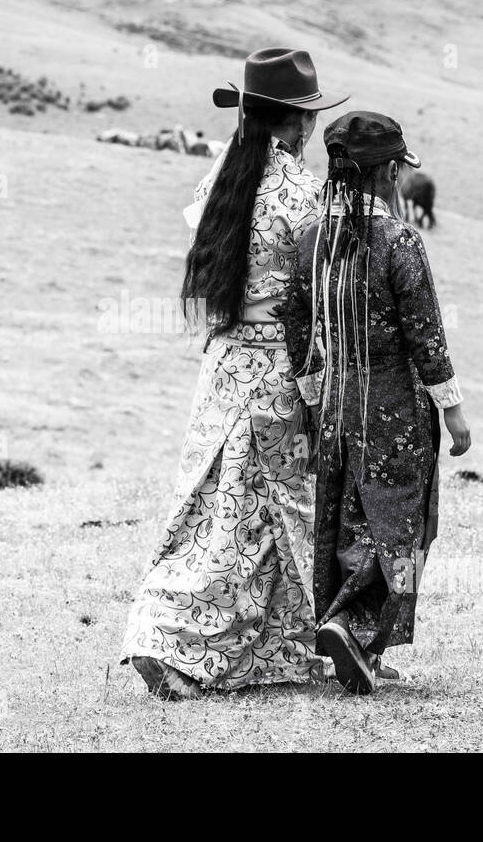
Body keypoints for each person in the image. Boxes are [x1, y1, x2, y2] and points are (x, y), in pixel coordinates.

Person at [121, 48, 349, 698]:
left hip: (223, 364)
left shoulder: (219, 176)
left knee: (213, 503)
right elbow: (317, 297)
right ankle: (184, 641)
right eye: (306, 117)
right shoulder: (304, 194)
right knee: (273, 513)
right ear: (294, 123)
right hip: (279, 369)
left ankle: (232, 641)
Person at [281, 111, 471, 693]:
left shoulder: (311, 239)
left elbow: (296, 327)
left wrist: (314, 400)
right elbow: (425, 333)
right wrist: (454, 409)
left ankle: (349, 630)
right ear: (389, 171)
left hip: (337, 403)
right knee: (402, 526)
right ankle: (356, 629)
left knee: (344, 521)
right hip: (397, 407)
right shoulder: (399, 241)